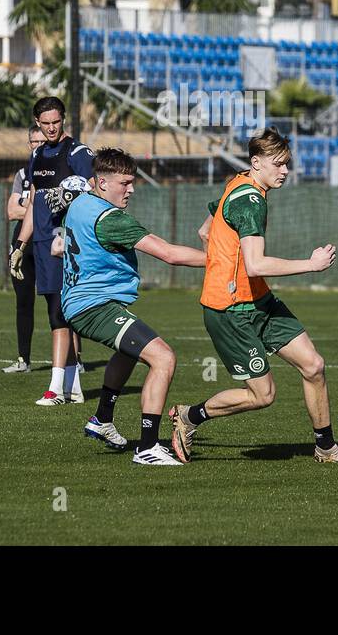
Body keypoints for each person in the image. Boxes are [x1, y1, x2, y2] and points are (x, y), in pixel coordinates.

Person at [167, 128, 338, 464]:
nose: (285, 171)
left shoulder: (241, 181)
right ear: (256, 162)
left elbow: (205, 229)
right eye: (278, 164)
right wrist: (312, 264)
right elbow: (255, 263)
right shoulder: (250, 201)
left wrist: (220, 261)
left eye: (287, 164)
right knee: (263, 395)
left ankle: (326, 447)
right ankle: (189, 417)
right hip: (229, 310)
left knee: (314, 365)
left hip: (259, 301)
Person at [59, 148, 205, 465]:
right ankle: (148, 447)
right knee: (163, 358)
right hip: (92, 306)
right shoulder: (111, 220)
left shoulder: (82, 201)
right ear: (100, 182)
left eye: (132, 181)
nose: (132, 189)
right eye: (125, 183)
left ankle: (102, 419)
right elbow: (170, 255)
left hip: (80, 301)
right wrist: (222, 261)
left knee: (129, 353)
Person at [9, 97, 93, 406]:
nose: (51, 128)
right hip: (43, 243)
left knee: (61, 312)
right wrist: (20, 244)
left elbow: (95, 190)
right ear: (37, 122)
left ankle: (57, 389)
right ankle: (73, 386)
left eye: (55, 122)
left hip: (68, 242)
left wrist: (72, 198)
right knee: (54, 312)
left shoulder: (79, 153)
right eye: (45, 123)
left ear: (63, 120)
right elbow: (33, 203)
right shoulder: (37, 156)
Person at [3, 125, 46, 374]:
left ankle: (74, 360)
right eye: (34, 142)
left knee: (59, 301)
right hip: (22, 241)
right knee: (24, 301)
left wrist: (29, 206)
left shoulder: (58, 171)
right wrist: (34, 208)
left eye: (43, 142)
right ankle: (23, 359)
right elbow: (11, 212)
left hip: (50, 240)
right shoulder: (22, 174)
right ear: (29, 143)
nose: (38, 146)